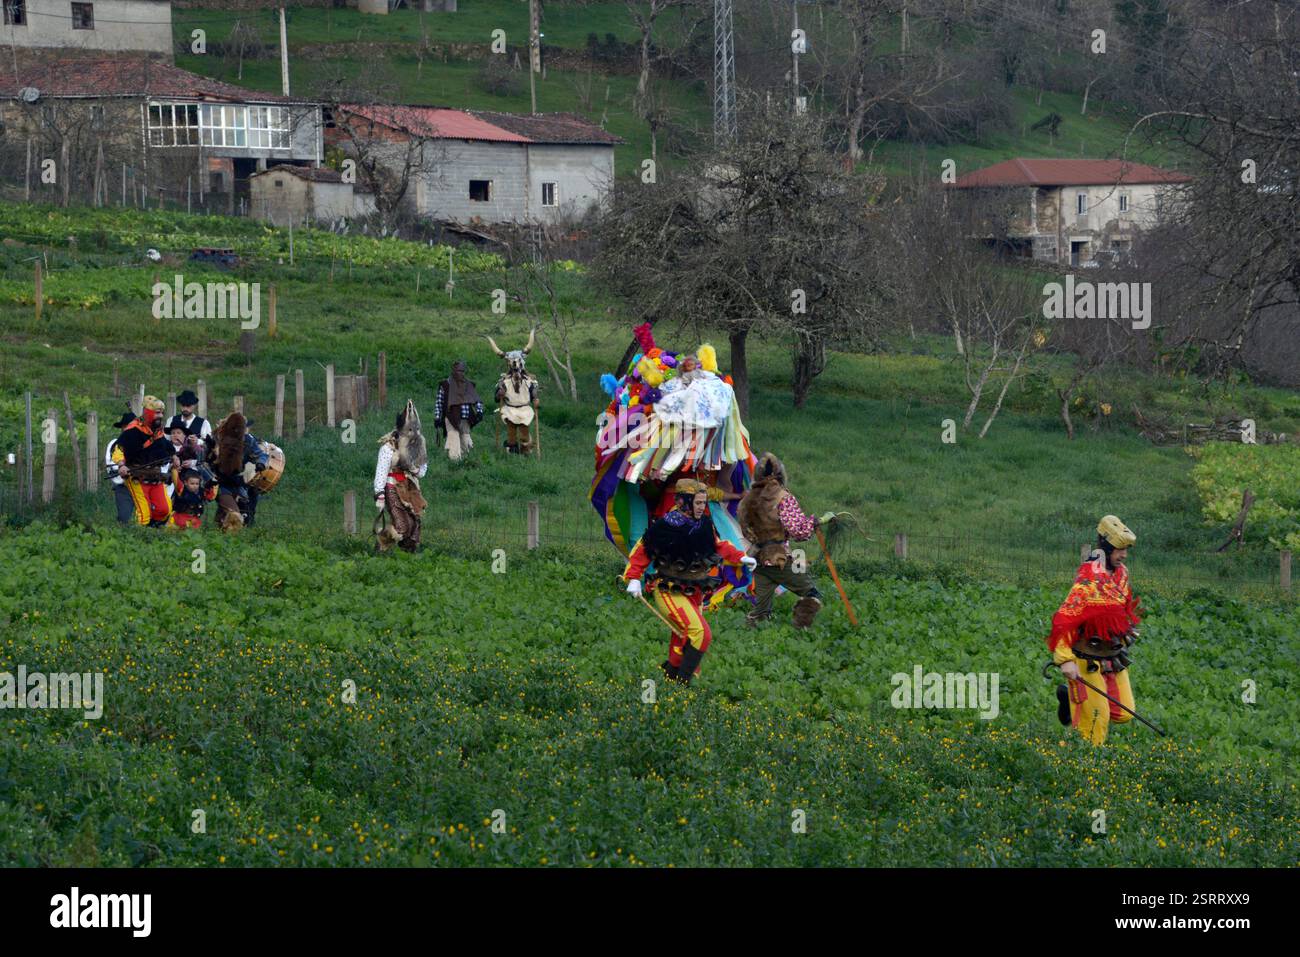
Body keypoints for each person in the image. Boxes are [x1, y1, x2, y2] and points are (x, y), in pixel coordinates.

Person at [622, 478, 757, 685]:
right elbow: (643, 549)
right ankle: (683, 684)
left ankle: (669, 680)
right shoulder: (666, 525)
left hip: (695, 590)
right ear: (684, 501)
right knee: (701, 634)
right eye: (698, 503)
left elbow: (718, 545)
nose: (703, 507)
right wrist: (633, 579)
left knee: (682, 637)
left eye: (704, 503)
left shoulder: (704, 523)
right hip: (669, 590)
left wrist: (740, 557)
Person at [1046, 515, 1143, 746]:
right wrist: (1064, 660)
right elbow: (1065, 619)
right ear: (1106, 547)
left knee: (1124, 712)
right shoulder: (1088, 579)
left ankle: (1070, 700)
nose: (1124, 555)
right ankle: (1082, 765)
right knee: (1096, 721)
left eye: (1126, 549)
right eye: (1120, 549)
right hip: (1085, 657)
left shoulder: (1122, 574)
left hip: (1113, 655)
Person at [737, 453, 831, 629]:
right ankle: (801, 628)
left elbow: (745, 530)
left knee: (760, 613)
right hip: (779, 559)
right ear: (781, 474)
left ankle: (748, 639)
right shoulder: (783, 498)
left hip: (757, 559)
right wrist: (818, 521)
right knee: (812, 594)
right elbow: (798, 532)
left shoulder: (747, 499)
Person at [374, 400, 429, 553]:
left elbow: (422, 470)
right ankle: (381, 545)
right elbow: (381, 471)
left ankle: (408, 556)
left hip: (410, 488)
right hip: (392, 486)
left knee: (414, 524)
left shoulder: (418, 445)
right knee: (402, 526)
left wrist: (413, 469)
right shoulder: (388, 447)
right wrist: (380, 495)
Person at [115, 396, 176, 527]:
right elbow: (119, 448)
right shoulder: (133, 429)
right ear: (148, 412)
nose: (160, 416)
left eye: (161, 413)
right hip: (136, 476)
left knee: (164, 509)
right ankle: (139, 540)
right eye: (157, 413)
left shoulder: (157, 430)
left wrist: (174, 456)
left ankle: (152, 532)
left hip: (155, 475)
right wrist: (121, 465)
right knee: (144, 514)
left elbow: (165, 445)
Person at [206, 412, 263, 532]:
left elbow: (261, 454)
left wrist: (260, 463)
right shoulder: (216, 439)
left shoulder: (248, 440)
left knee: (239, 514)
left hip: (240, 484)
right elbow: (204, 460)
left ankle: (217, 534)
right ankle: (226, 536)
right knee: (234, 515)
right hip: (221, 484)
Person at [489, 331, 539, 455]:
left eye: (517, 362)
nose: (516, 366)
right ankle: (511, 451)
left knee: (524, 431)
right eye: (513, 362)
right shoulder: (504, 381)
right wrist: (499, 394)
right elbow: (496, 398)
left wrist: (535, 399)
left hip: (524, 409)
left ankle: (525, 450)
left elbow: (533, 393)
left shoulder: (529, 381)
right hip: (510, 409)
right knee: (511, 431)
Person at [434, 360, 484, 462]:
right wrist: (437, 417)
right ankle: (454, 461)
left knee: (465, 439)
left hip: (466, 418)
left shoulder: (468, 385)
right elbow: (439, 403)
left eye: (462, 371)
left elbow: (477, 399)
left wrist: (479, 411)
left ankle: (465, 460)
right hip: (451, 416)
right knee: (454, 436)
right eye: (458, 370)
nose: (460, 373)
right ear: (453, 371)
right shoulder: (445, 385)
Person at [104, 410, 138, 524]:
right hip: (124, 487)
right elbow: (111, 466)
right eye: (126, 426)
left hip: (144, 485)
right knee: (124, 519)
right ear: (122, 428)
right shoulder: (114, 444)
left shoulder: (146, 442)